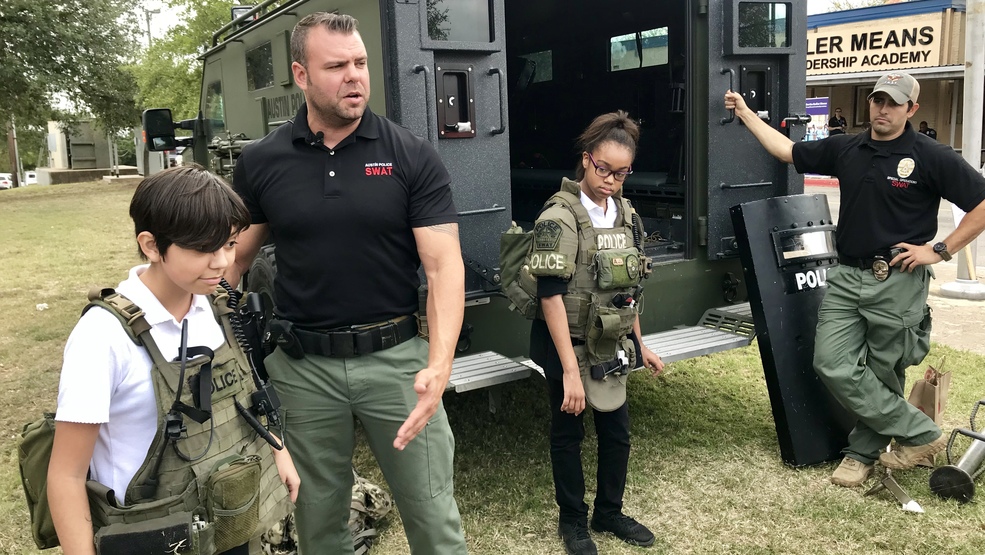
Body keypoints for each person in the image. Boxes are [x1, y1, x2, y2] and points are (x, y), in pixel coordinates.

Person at [229, 12, 468, 555]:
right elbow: (231, 260)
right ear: (301, 74)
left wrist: (439, 362)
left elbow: (443, 266)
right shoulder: (262, 162)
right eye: (336, 66)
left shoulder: (410, 154)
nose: (354, 76)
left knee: (433, 518)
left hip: (397, 362)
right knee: (318, 520)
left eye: (360, 63)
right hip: (301, 370)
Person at [724, 72, 985, 488]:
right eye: (878, 100)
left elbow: (981, 203)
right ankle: (920, 433)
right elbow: (788, 150)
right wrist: (746, 114)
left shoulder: (930, 155)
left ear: (911, 109)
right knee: (830, 361)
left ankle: (861, 455)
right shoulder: (848, 147)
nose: (883, 109)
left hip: (898, 278)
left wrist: (938, 250)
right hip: (846, 275)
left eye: (894, 103)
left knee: (884, 370)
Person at [47, 165, 300, 555]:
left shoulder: (217, 311)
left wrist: (278, 451)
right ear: (151, 245)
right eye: (203, 248)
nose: (221, 262)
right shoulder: (103, 337)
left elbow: (243, 397)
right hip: (149, 534)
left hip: (228, 525)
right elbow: (66, 474)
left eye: (230, 244)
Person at [527, 111, 664, 555]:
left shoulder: (626, 215)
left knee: (617, 431)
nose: (609, 180)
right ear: (586, 160)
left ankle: (608, 512)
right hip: (565, 343)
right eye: (602, 168)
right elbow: (550, 296)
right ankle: (573, 522)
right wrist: (569, 371)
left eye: (620, 172)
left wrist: (641, 345)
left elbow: (630, 288)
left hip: (610, 342)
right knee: (568, 434)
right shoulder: (558, 217)